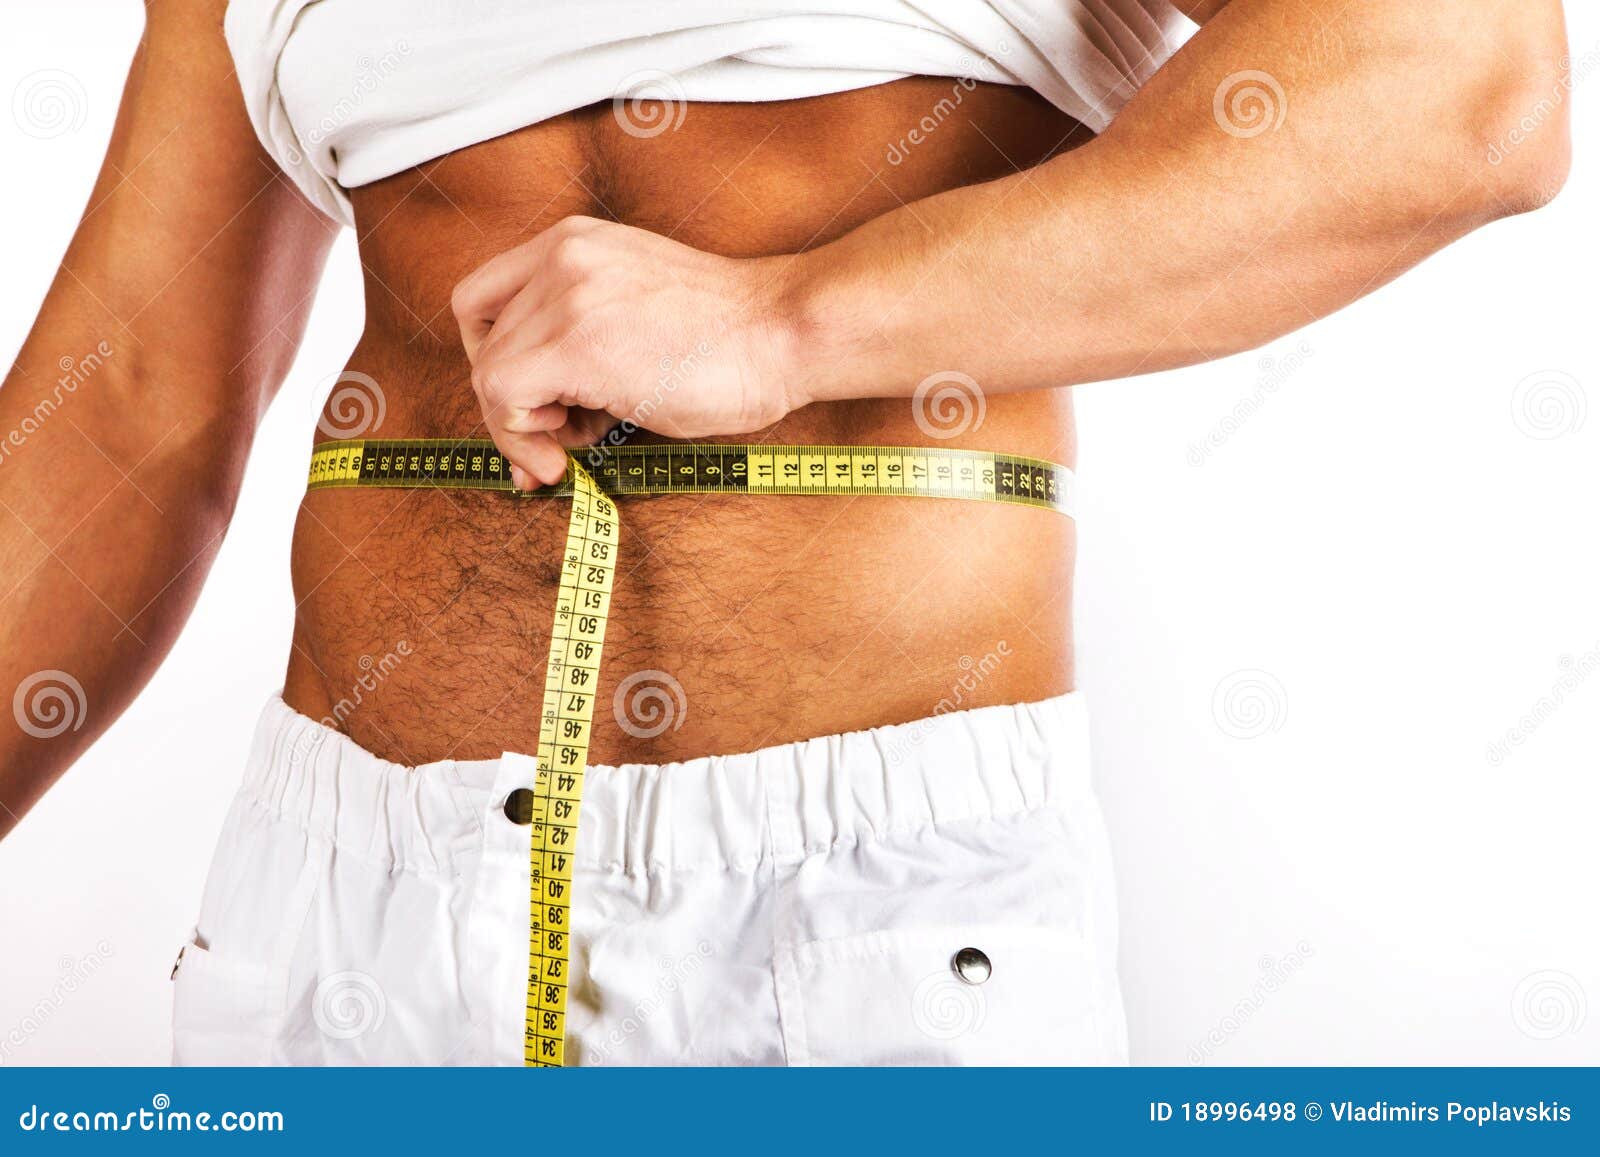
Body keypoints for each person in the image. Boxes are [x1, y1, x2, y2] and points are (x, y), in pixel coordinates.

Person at [0, 0, 1570, 1064]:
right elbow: (130, 398)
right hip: (339, 900)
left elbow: (1461, 78)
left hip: (865, 900)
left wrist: (786, 322)